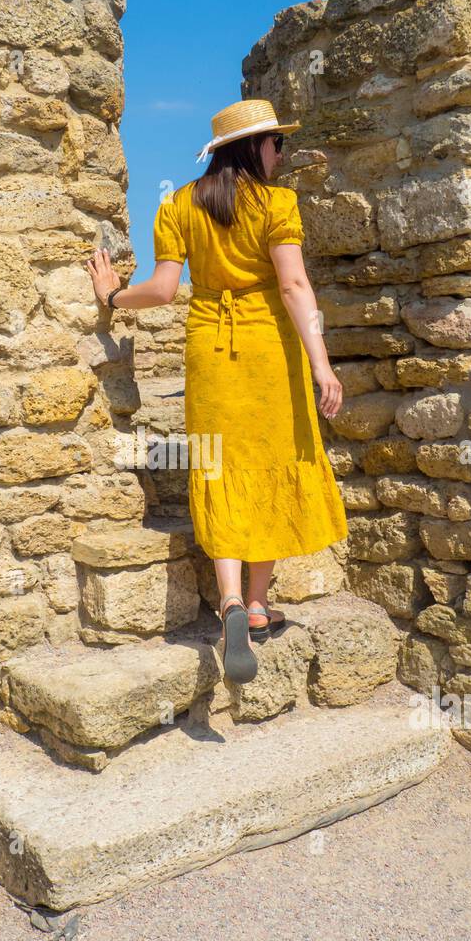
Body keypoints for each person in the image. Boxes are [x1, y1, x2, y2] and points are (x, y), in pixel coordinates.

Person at [85, 98, 347, 683]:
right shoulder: (277, 204)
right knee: (271, 462)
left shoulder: (177, 204)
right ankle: (256, 604)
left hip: (210, 349)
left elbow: (160, 290)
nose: (281, 153)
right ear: (254, 146)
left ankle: (228, 600)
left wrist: (109, 296)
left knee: (219, 467)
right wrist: (323, 365)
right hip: (268, 352)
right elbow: (295, 285)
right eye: (277, 143)